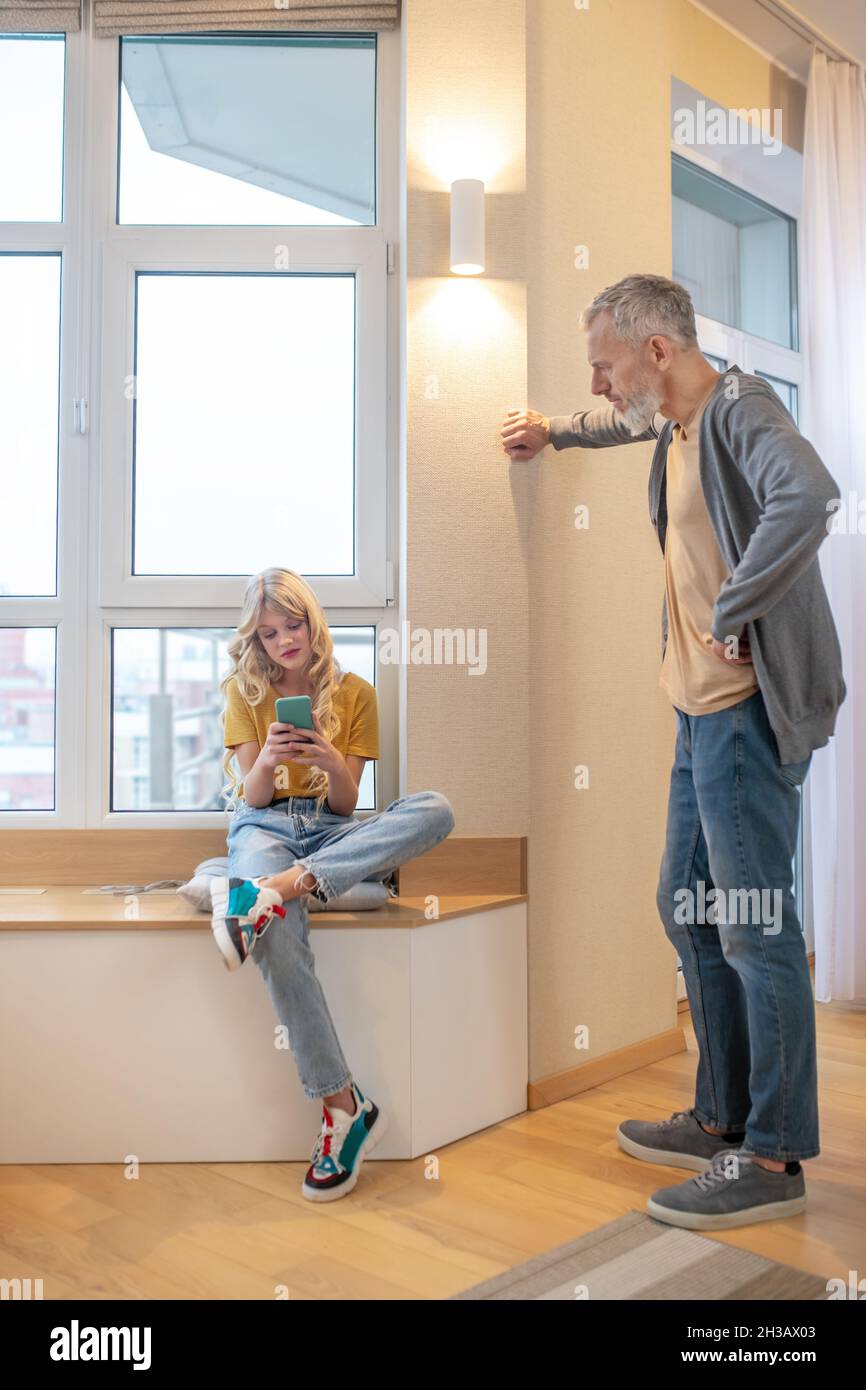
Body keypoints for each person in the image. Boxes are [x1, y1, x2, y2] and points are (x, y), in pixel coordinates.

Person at [500, 273, 845, 1231]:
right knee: (686, 904)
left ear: (657, 352)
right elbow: (620, 426)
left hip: (746, 709)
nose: (602, 386)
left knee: (751, 925)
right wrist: (555, 428)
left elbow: (811, 495)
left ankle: (772, 1154)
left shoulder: (739, 412)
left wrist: (736, 608)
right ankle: (721, 1114)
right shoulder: (674, 420)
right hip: (698, 711)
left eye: (607, 366)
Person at [213, 566, 455, 1202]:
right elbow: (253, 797)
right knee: (279, 921)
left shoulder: (354, 694)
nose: (283, 641)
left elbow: (348, 807)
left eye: (292, 625)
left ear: (311, 622)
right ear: (256, 641)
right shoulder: (242, 692)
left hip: (326, 831)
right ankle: (343, 1108)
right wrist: (266, 757)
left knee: (435, 808)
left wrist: (326, 762)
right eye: (268, 633)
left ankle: (264, 889)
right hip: (264, 823)